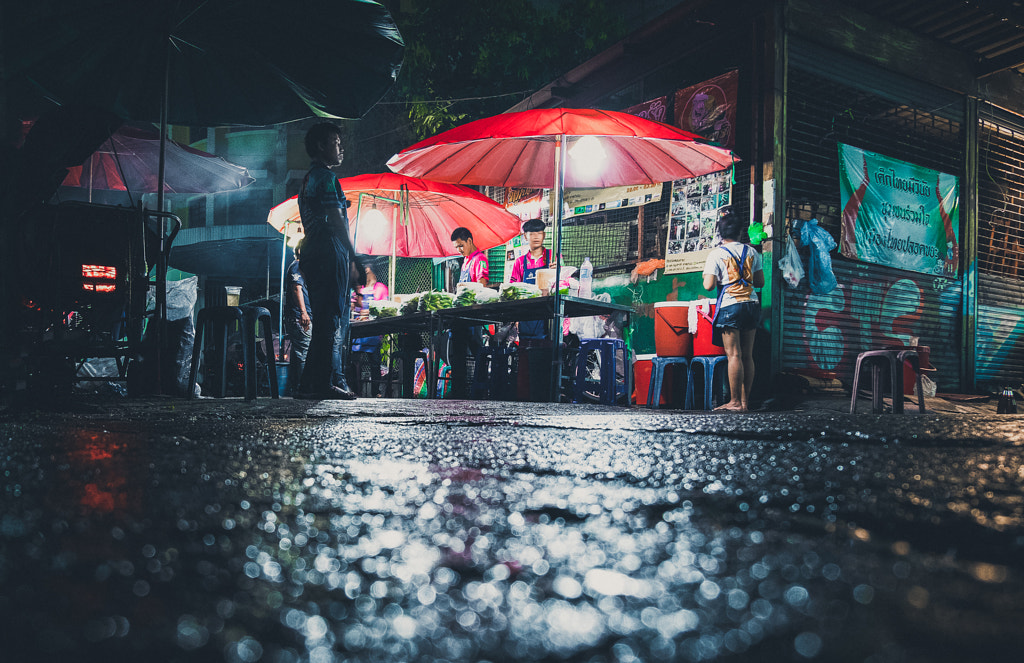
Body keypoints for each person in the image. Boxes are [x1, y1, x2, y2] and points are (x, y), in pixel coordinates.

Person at [296, 122, 362, 400]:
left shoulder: (308, 179)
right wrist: (356, 257)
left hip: (314, 252)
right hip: (327, 252)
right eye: (336, 142)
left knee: (324, 320)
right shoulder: (326, 179)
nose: (341, 148)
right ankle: (321, 384)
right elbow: (336, 222)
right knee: (329, 320)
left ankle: (308, 385)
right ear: (322, 147)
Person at [702, 209, 765, 412]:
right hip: (751, 304)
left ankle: (735, 401)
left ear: (720, 234)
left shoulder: (716, 254)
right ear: (740, 233)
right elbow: (760, 282)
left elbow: (709, 286)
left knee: (734, 355)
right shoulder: (752, 252)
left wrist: (710, 275)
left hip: (730, 306)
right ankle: (745, 403)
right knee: (748, 355)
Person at [448, 227, 488, 398]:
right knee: (458, 355)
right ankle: (458, 393)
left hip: (473, 316)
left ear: (470, 241)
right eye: (456, 247)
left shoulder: (480, 259)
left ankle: (480, 393)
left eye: (461, 246)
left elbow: (482, 284)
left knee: (477, 352)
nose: (459, 250)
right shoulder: (465, 261)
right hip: (460, 317)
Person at [348, 262, 389, 396]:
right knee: (354, 361)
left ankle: (375, 392)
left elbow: (380, 308)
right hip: (359, 330)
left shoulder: (380, 288)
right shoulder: (360, 289)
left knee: (375, 363)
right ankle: (354, 390)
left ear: (369, 270)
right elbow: (354, 306)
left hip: (373, 331)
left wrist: (366, 312)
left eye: (364, 271)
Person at [284, 239, 312, 396]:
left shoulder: (301, 267)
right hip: (299, 316)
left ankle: (295, 387)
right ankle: (304, 389)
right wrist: (303, 312)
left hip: (299, 315)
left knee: (298, 352)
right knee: (304, 352)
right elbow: (296, 288)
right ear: (301, 251)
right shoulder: (296, 265)